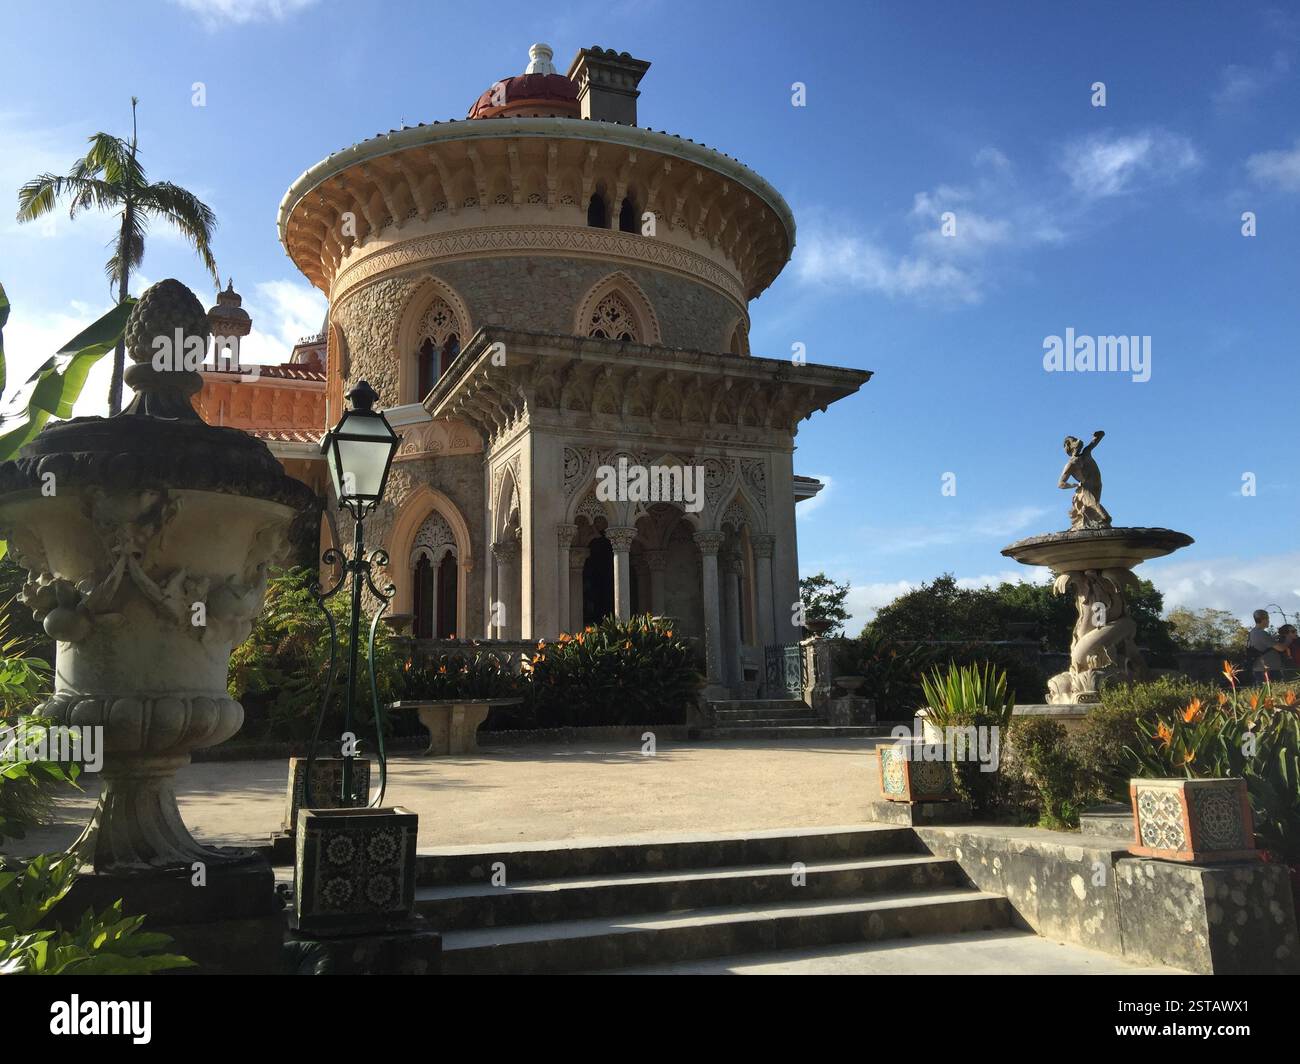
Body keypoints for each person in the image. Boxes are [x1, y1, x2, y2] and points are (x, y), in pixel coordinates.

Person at [1246, 610, 1289, 683]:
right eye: (1268, 618)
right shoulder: (1262, 633)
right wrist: (1288, 640)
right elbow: (1281, 648)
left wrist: (1272, 638)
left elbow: (1262, 646)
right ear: (1263, 619)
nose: (1269, 621)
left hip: (1259, 670)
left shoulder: (1252, 633)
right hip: (1269, 671)